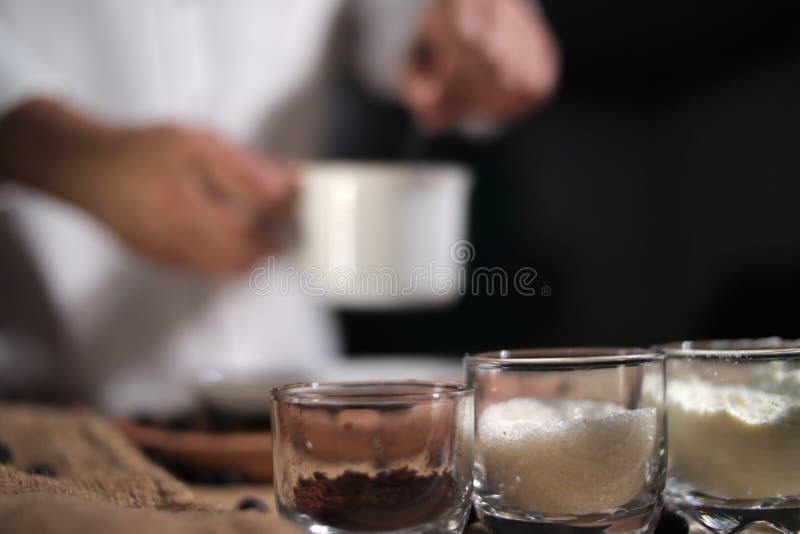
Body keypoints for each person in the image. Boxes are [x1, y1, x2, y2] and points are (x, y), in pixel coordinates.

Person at [0, 0, 560, 414]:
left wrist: (471, 32)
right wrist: (62, 153)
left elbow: (406, 22)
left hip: (293, 390)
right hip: (38, 390)